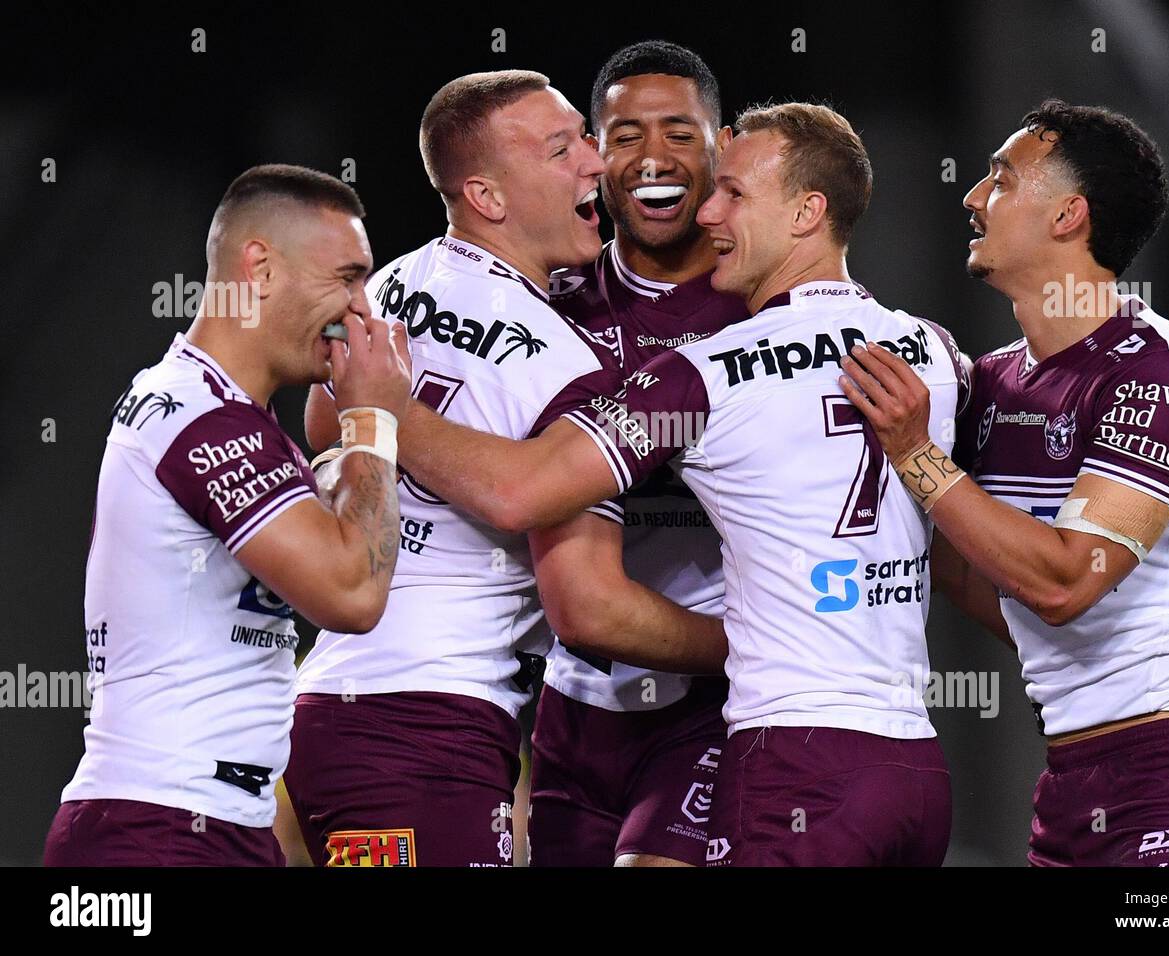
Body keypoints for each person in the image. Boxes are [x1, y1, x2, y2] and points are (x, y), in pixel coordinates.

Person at [378, 102, 967, 866]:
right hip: (914, 766)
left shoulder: (705, 376)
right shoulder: (939, 356)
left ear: (806, 211)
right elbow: (965, 549)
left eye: (734, 195)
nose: (708, 211)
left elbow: (522, 493)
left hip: (795, 761)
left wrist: (387, 406)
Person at [288, 70, 724, 868]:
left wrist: (389, 415)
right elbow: (585, 603)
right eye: (562, 149)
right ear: (486, 196)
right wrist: (754, 645)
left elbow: (325, 420)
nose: (595, 163)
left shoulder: (386, 289)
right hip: (423, 730)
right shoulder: (565, 362)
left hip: (328, 704)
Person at [838, 99, 1169, 866]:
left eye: (1001, 179)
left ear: (1070, 215)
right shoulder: (995, 383)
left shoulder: (1160, 372)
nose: (973, 197)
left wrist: (916, 456)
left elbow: (1068, 582)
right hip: (1072, 777)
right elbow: (1006, 592)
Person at [45, 164, 410, 866]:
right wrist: (371, 422)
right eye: (347, 277)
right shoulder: (200, 416)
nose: (362, 309)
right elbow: (352, 593)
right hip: (154, 832)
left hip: (206, 826)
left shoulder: (227, 414)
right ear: (261, 268)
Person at [526, 40, 749, 869]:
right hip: (571, 699)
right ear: (594, 154)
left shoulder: (768, 307)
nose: (653, 157)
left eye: (680, 133)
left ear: (722, 144)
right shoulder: (545, 306)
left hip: (713, 698)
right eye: (625, 136)